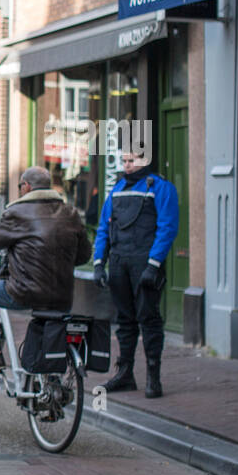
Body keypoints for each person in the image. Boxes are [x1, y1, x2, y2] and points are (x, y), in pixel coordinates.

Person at [0, 166, 93, 371]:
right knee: (52, 326)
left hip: (26, 292)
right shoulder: (70, 212)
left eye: (20, 186)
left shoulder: (17, 212)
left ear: (27, 186)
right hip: (62, 294)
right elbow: (84, 255)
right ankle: (52, 383)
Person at [92, 149, 179, 398]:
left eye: (132, 161)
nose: (127, 165)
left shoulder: (161, 188)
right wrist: (99, 262)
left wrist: (154, 264)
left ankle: (153, 376)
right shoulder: (117, 188)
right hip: (119, 263)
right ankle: (125, 374)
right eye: (125, 161)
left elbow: (167, 226)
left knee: (149, 319)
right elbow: (103, 228)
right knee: (124, 321)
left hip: (144, 263)